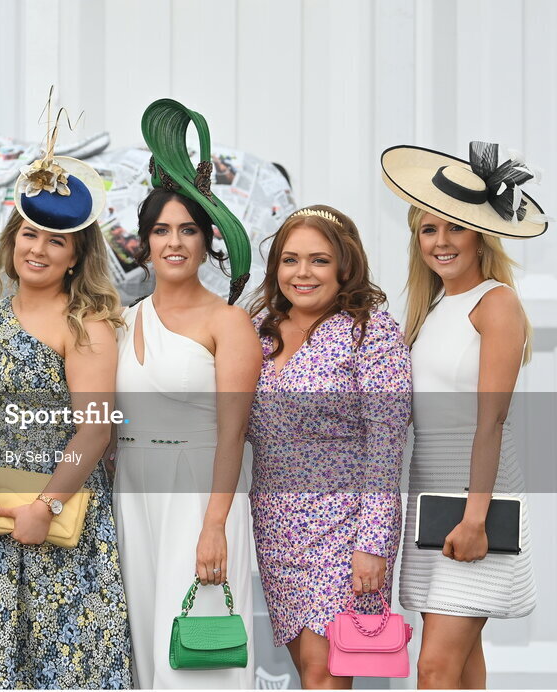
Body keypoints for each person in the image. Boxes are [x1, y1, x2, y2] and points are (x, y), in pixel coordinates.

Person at [0, 121, 134, 689]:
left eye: (55, 240)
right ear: (13, 239)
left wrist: (47, 507)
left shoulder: (84, 324)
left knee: (62, 666)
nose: (38, 249)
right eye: (30, 234)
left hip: (59, 518)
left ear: (75, 256)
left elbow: (94, 432)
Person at [382, 141, 545, 688]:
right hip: (429, 495)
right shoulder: (429, 311)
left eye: (455, 228)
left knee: (435, 665)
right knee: (463, 660)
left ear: (481, 234)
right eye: (429, 230)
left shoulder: (496, 303)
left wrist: (476, 517)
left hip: (476, 496)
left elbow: (490, 423)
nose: (441, 242)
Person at [113, 99, 261, 688]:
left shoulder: (229, 325)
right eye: (161, 230)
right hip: (133, 490)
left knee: (199, 660)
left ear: (207, 242)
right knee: (149, 651)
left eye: (188, 230)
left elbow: (234, 433)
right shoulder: (122, 321)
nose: (173, 242)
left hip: (200, 490)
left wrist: (215, 523)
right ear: (146, 241)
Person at [247, 204, 410, 689]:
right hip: (276, 527)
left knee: (326, 672)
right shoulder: (259, 333)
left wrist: (372, 545)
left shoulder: (371, 332)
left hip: (345, 529)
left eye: (318, 260)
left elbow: (387, 445)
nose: (302, 273)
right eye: (290, 259)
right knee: (307, 670)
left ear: (344, 266)